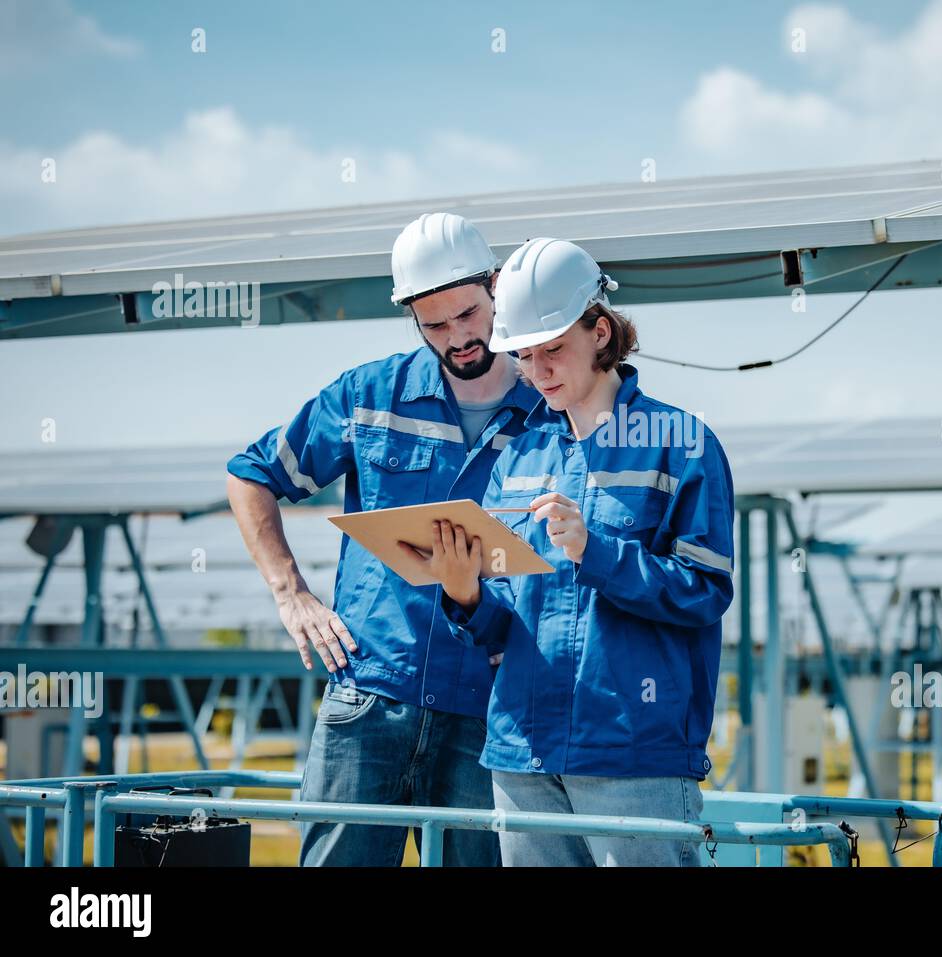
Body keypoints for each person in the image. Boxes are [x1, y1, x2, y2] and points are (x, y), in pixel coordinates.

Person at [226, 212, 539, 866]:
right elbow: (251, 475)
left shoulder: (547, 410)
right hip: (366, 696)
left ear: (497, 287)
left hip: (488, 713)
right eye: (435, 324)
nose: (458, 337)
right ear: (411, 316)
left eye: (469, 314)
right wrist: (292, 596)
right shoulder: (368, 396)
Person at [416, 238, 735, 866]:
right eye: (526, 356)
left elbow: (706, 592)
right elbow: (505, 626)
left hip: (631, 754)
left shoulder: (681, 443)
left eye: (554, 349)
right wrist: (464, 593)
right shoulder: (520, 456)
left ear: (601, 330)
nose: (539, 372)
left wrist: (597, 552)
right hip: (520, 752)